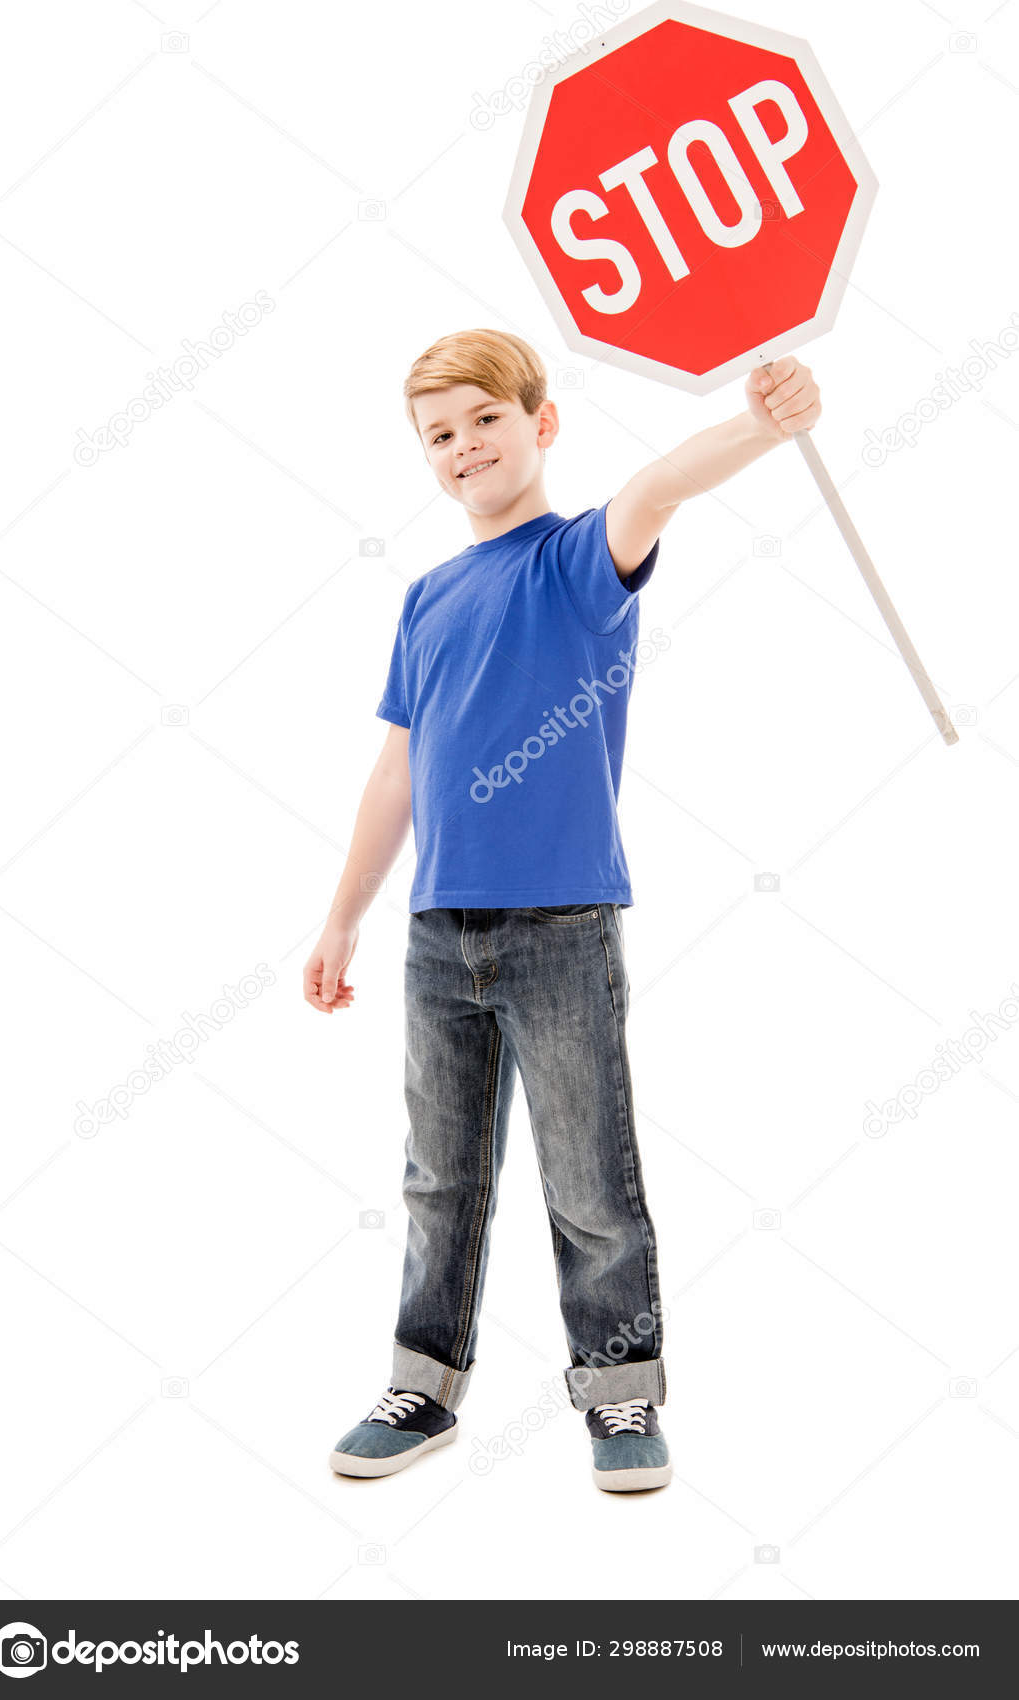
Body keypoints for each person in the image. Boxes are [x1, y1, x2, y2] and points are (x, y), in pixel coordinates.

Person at [304, 329, 821, 1491]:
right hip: (440, 931)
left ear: (541, 422)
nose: (464, 446)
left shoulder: (581, 562)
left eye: (485, 418)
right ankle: (423, 1382)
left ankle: (620, 1389)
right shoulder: (429, 597)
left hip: (563, 926)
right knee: (440, 1172)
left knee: (590, 1175)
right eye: (440, 435)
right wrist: (343, 915)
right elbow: (397, 768)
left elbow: (660, 485)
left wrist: (760, 422)